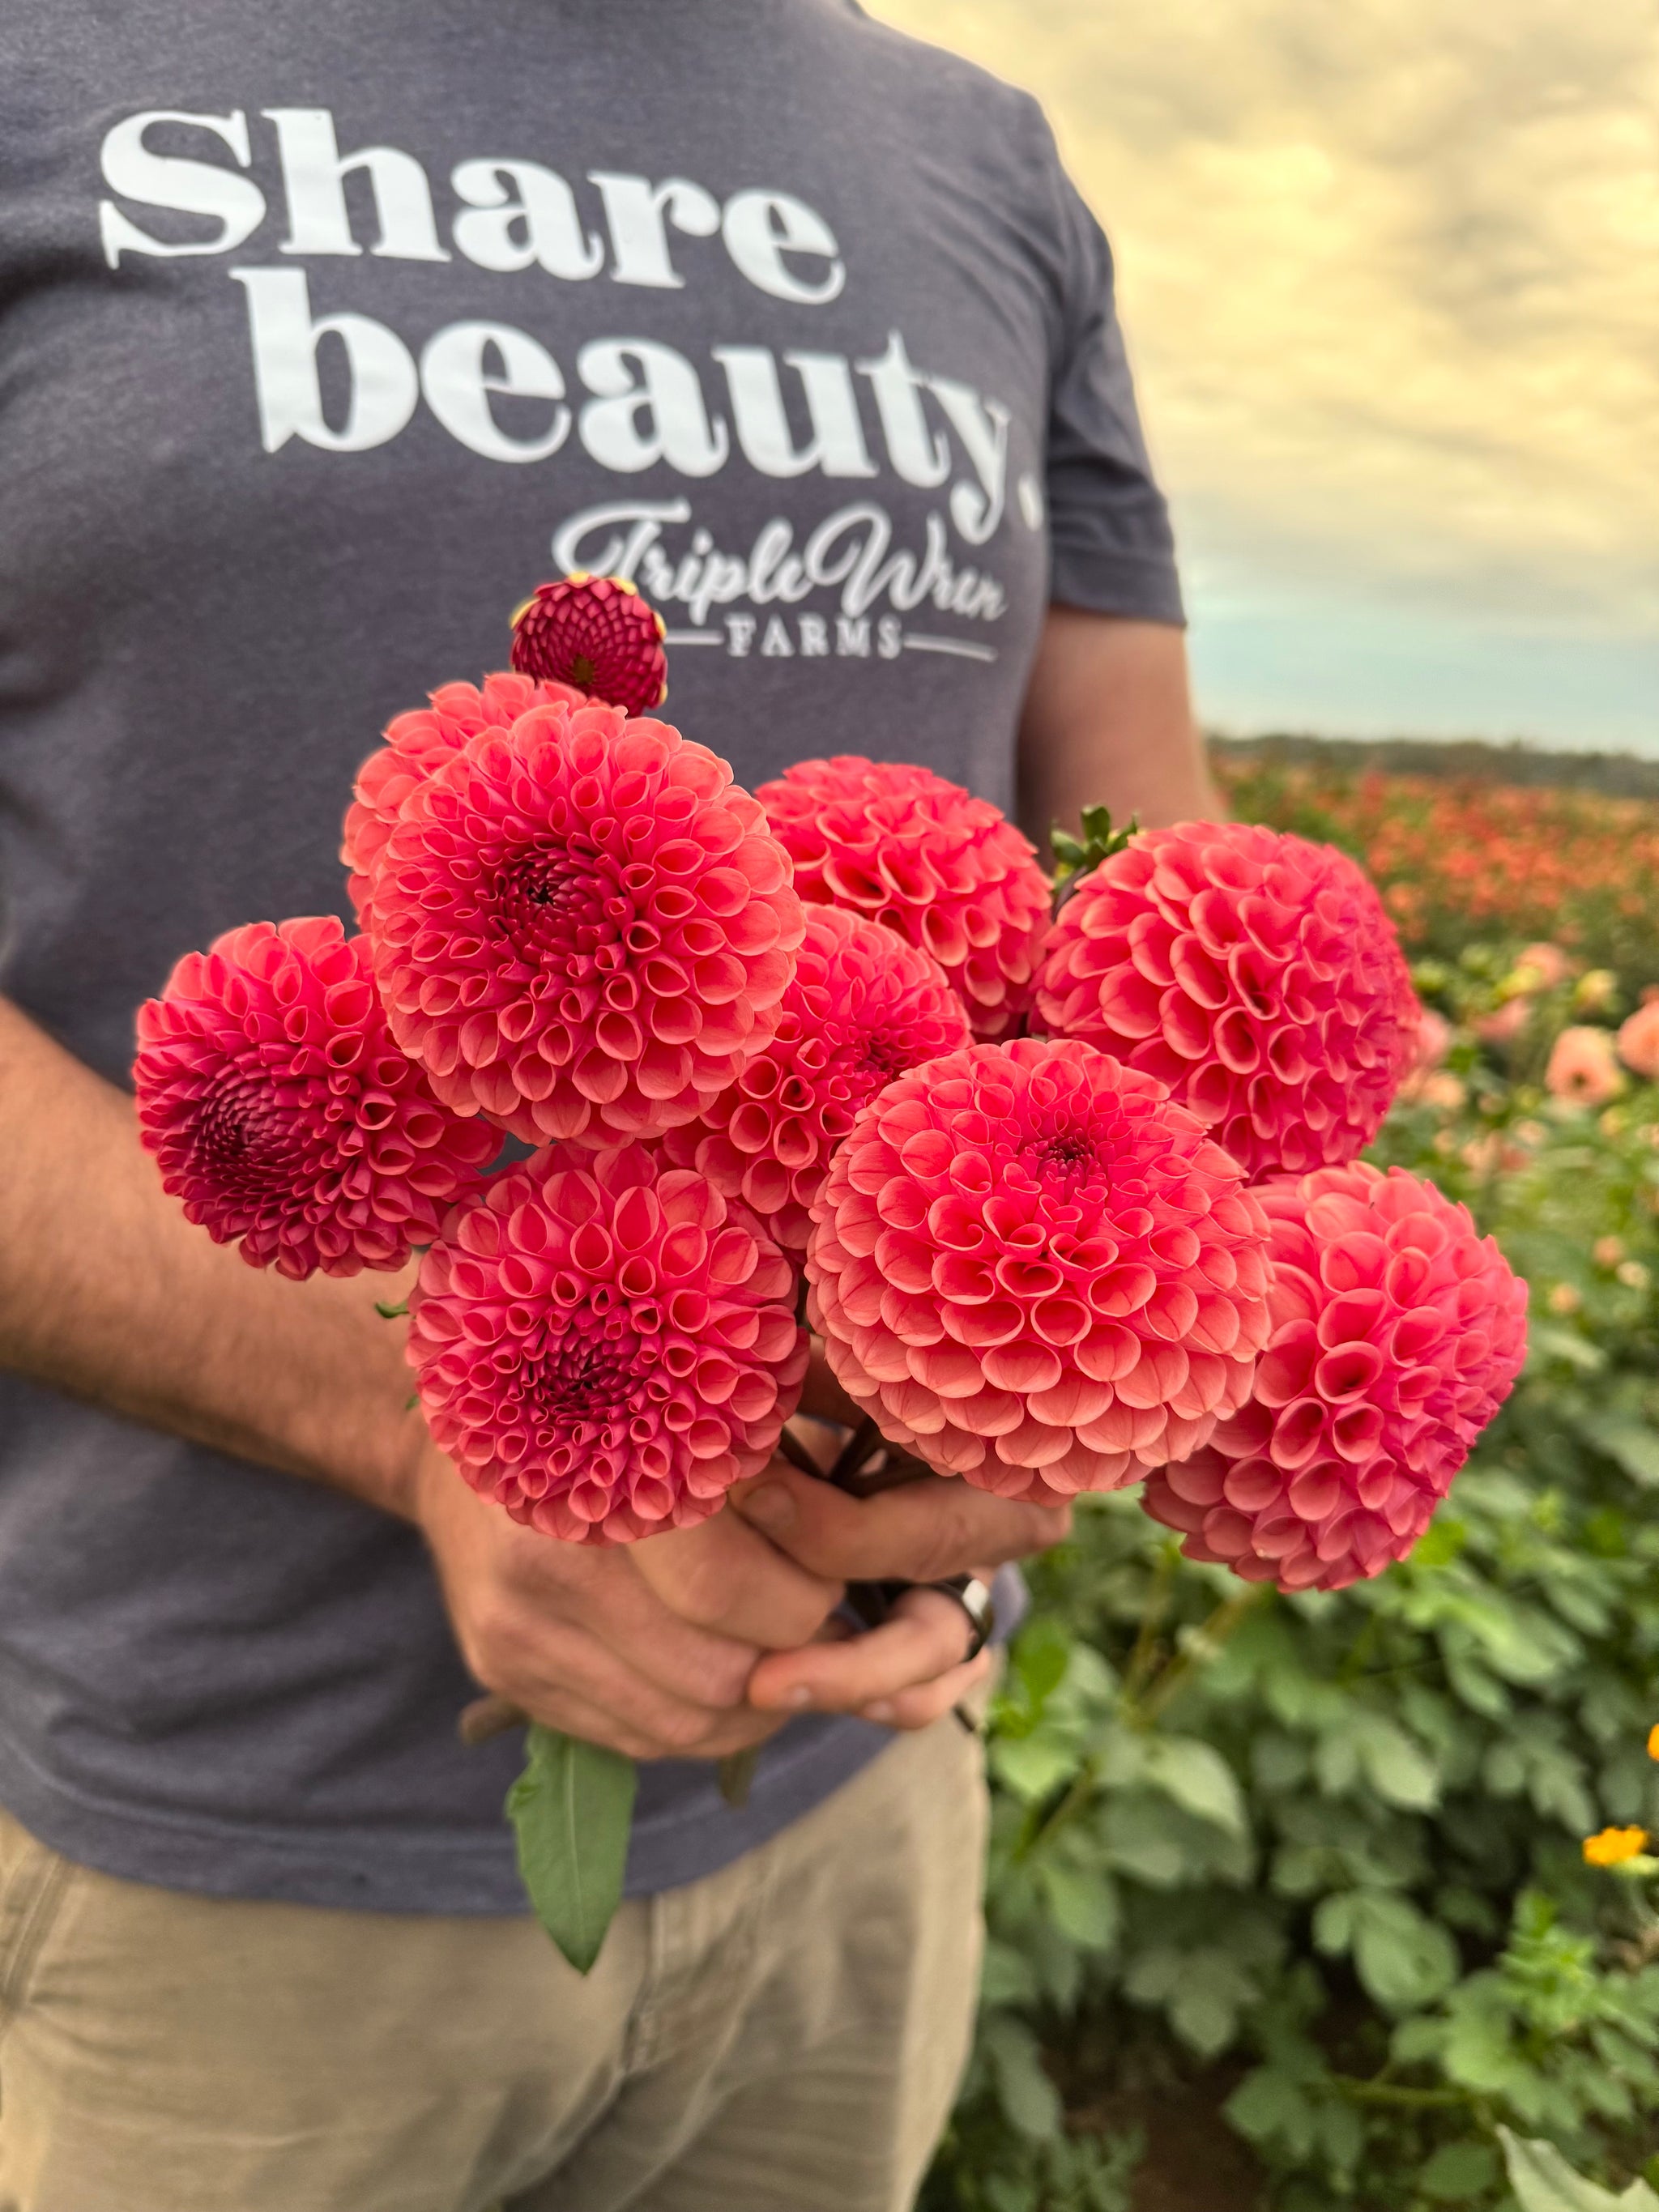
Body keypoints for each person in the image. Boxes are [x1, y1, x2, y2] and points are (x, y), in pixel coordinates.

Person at [0, 2, 1213, 2206]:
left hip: (866, 1800)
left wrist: (1050, 1383)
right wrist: (403, 1416)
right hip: (227, 1886)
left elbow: (1145, 870)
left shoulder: (989, 165)